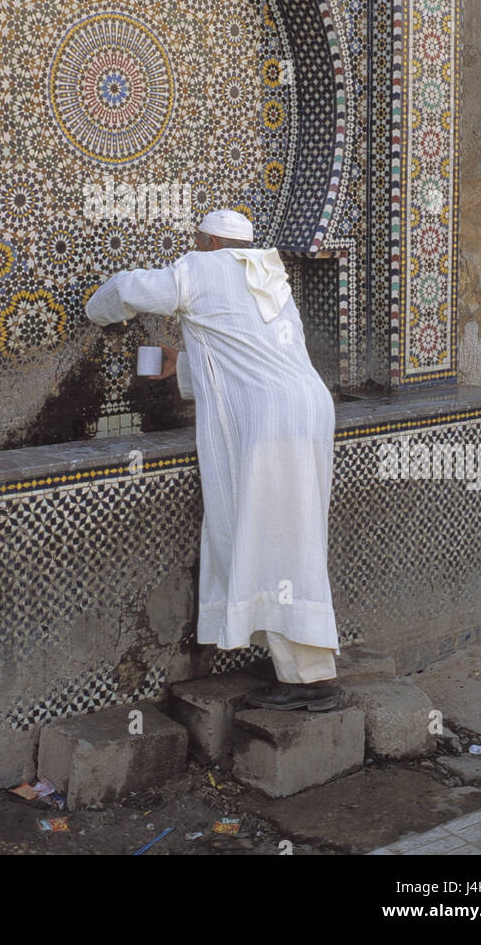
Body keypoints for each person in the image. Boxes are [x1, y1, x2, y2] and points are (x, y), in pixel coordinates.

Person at [85, 209, 340, 711]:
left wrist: (95, 313)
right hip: (309, 411)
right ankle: (308, 668)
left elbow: (128, 287)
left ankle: (307, 681)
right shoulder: (269, 277)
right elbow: (245, 351)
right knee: (296, 536)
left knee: (269, 537)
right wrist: (184, 365)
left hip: (268, 421)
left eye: (196, 241)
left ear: (208, 241)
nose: (193, 248)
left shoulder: (201, 268)